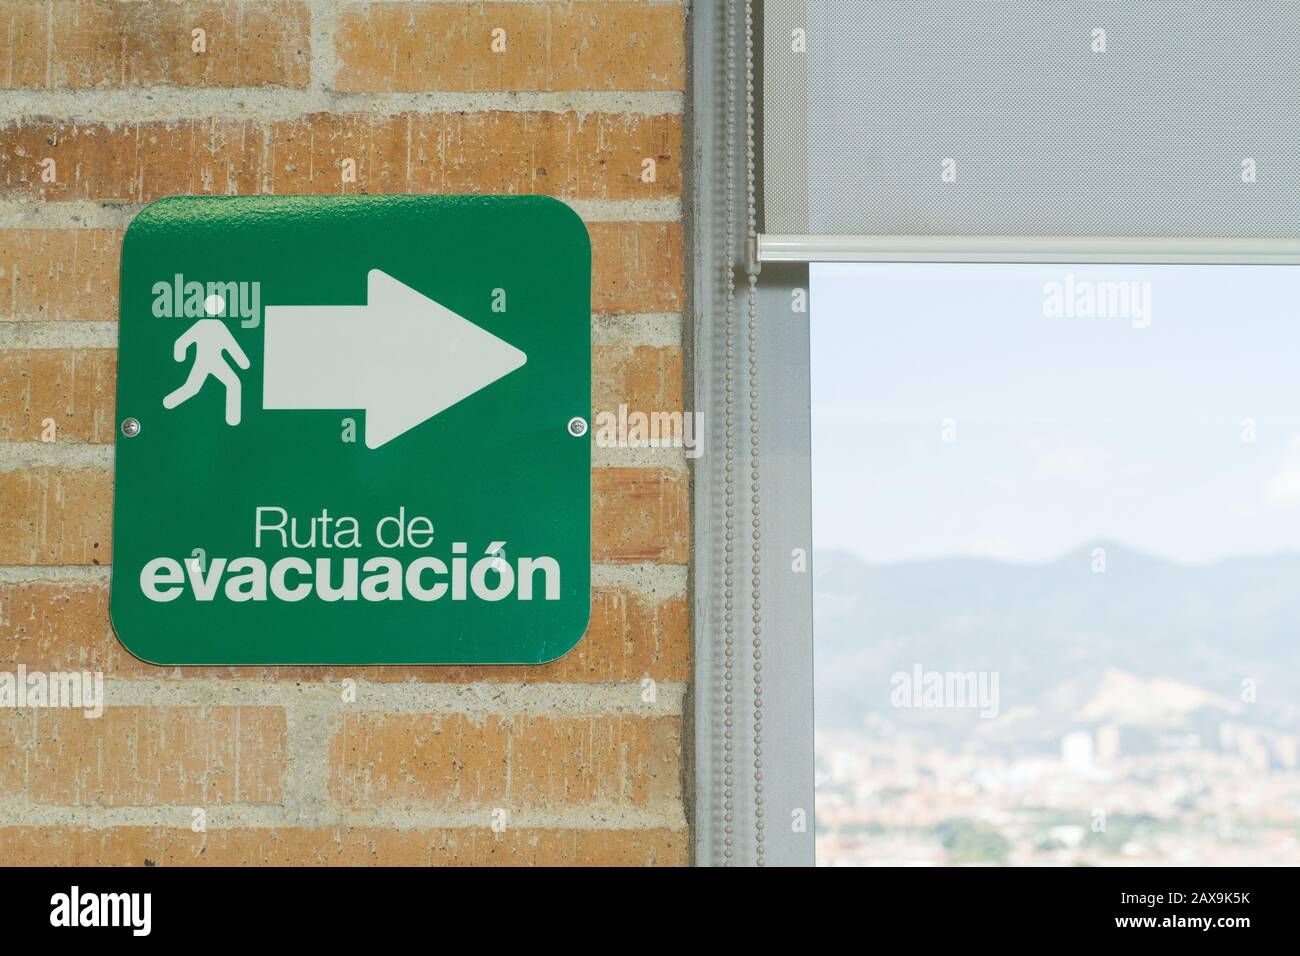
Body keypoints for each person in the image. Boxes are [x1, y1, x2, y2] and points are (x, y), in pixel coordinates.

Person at [162, 319, 251, 425]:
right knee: (232, 384)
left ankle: (233, 419)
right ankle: (168, 402)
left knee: (232, 384)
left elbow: (231, 345)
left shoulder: (214, 325)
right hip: (204, 362)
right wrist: (243, 363)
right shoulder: (209, 325)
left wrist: (243, 362)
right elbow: (183, 341)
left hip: (213, 362)